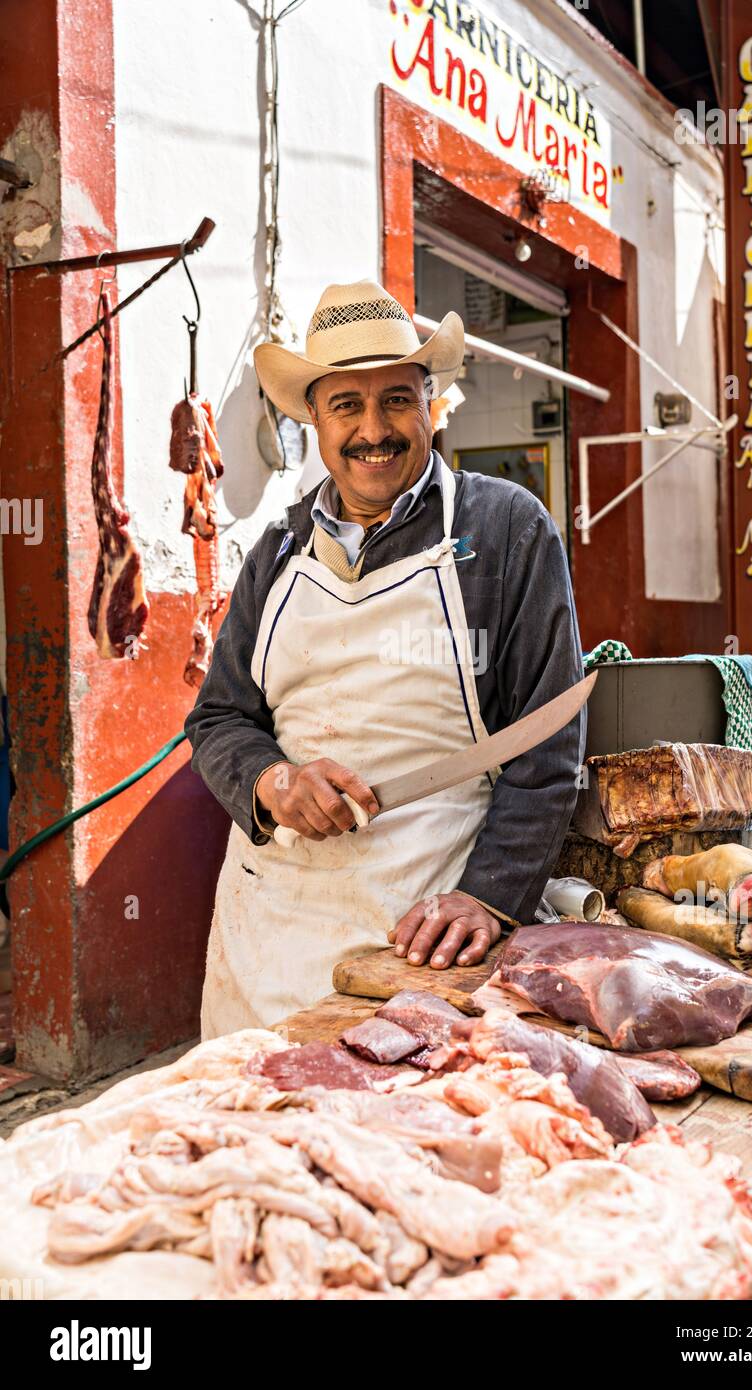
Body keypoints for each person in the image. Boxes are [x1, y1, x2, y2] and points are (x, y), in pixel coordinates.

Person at [186, 278, 584, 1037]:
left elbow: (548, 748)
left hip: (424, 932)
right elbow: (219, 718)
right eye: (347, 405)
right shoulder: (274, 551)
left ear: (430, 404)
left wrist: (490, 896)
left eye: (398, 399)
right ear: (314, 416)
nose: (374, 429)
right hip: (270, 923)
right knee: (253, 1131)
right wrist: (272, 780)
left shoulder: (504, 528)